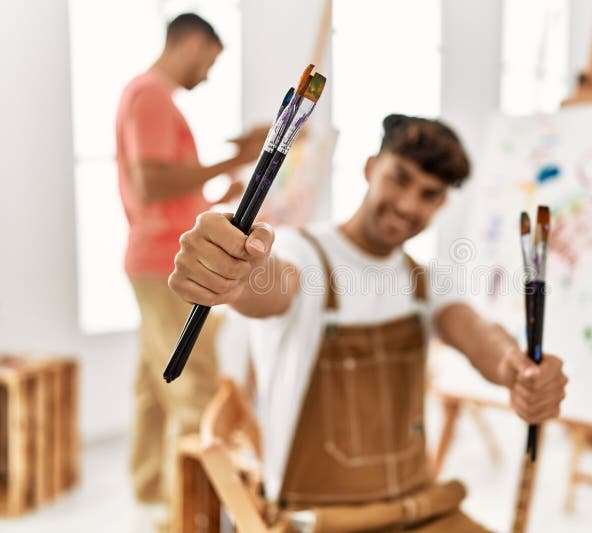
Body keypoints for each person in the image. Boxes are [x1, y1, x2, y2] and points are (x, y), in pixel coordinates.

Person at [169, 114, 568, 531]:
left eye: (429, 194)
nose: (408, 204)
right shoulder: (302, 253)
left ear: (441, 205)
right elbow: (268, 284)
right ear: (370, 168)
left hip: (416, 509)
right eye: (399, 178)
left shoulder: (425, 281)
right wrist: (234, 277)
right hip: (315, 520)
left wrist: (514, 369)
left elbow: (476, 333)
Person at [115, 12, 263, 504]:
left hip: (157, 256)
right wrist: (238, 159)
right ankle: (186, 512)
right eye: (210, 62)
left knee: (154, 385)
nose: (208, 74)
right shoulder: (150, 95)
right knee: (193, 387)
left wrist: (220, 193)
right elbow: (151, 182)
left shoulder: (150, 96)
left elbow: (166, 194)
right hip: (166, 263)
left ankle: (151, 492)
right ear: (194, 43)